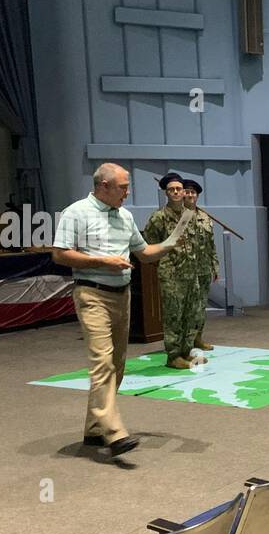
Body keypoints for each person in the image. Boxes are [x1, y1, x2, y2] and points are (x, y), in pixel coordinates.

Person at [51, 163, 178, 457]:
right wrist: (103, 262)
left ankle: (94, 429)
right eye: (123, 186)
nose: (128, 192)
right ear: (103, 186)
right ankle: (114, 431)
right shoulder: (76, 212)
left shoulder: (125, 216)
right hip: (92, 294)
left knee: (117, 365)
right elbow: (59, 254)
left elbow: (144, 253)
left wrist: (169, 244)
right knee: (102, 362)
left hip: (123, 296)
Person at [141, 173, 215, 369]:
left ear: (183, 192)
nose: (176, 192)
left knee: (191, 315)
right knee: (174, 316)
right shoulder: (159, 217)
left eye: (179, 189)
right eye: (171, 189)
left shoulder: (190, 215)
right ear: (166, 192)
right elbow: (149, 246)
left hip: (192, 272)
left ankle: (186, 350)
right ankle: (173, 355)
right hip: (172, 274)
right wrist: (164, 265)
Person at [180, 179, 218, 354]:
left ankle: (198, 338)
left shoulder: (204, 217)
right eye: (186, 191)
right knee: (185, 306)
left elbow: (211, 244)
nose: (190, 195)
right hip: (184, 269)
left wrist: (214, 266)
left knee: (200, 306)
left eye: (193, 192)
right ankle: (183, 343)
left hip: (202, 268)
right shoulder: (177, 216)